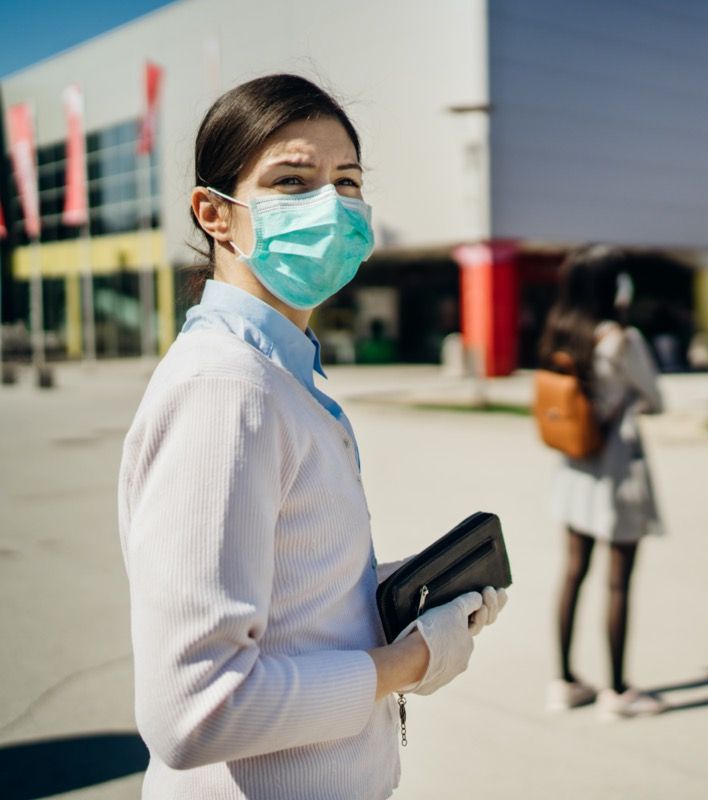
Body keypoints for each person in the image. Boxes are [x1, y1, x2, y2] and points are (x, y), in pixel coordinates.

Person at [117, 75, 506, 799]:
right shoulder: (226, 390)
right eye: (292, 183)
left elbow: (278, 601)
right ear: (215, 214)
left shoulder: (277, 374)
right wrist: (414, 659)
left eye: (347, 181)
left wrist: (379, 594)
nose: (330, 206)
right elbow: (193, 710)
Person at [539, 245, 667, 719]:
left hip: (573, 467)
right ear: (611, 284)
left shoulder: (562, 330)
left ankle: (564, 681)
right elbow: (656, 398)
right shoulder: (622, 339)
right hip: (615, 469)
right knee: (618, 582)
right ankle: (617, 691)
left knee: (572, 572)